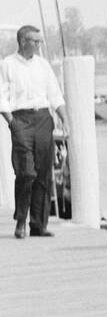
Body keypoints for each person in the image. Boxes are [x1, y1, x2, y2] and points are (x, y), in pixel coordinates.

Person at [0, 25, 70, 238]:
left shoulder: (43, 65)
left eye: (40, 41)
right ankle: (21, 219)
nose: (39, 45)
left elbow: (55, 95)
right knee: (26, 172)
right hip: (20, 119)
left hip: (42, 120)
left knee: (43, 173)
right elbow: (1, 96)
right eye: (36, 41)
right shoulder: (8, 65)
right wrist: (12, 122)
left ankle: (38, 224)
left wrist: (64, 118)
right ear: (23, 42)